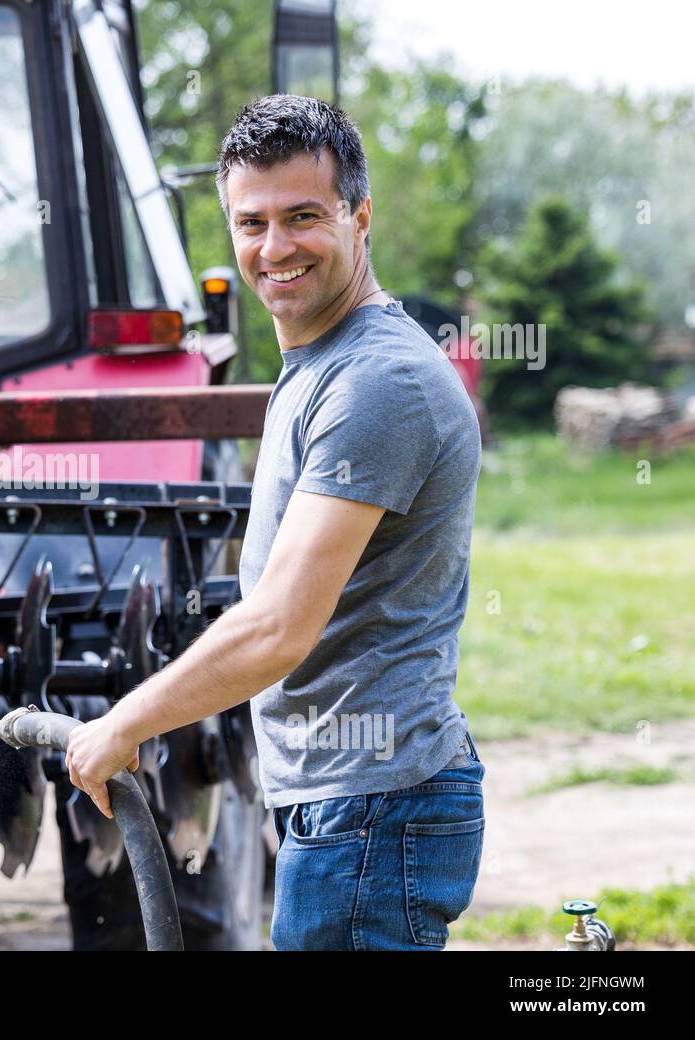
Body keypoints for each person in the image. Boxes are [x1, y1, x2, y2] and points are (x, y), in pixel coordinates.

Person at [65, 94, 485, 950]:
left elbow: (278, 627)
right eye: (250, 222)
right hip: (350, 804)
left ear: (360, 217)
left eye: (303, 217)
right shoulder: (321, 361)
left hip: (371, 811)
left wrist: (124, 724)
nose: (274, 248)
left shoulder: (377, 384)